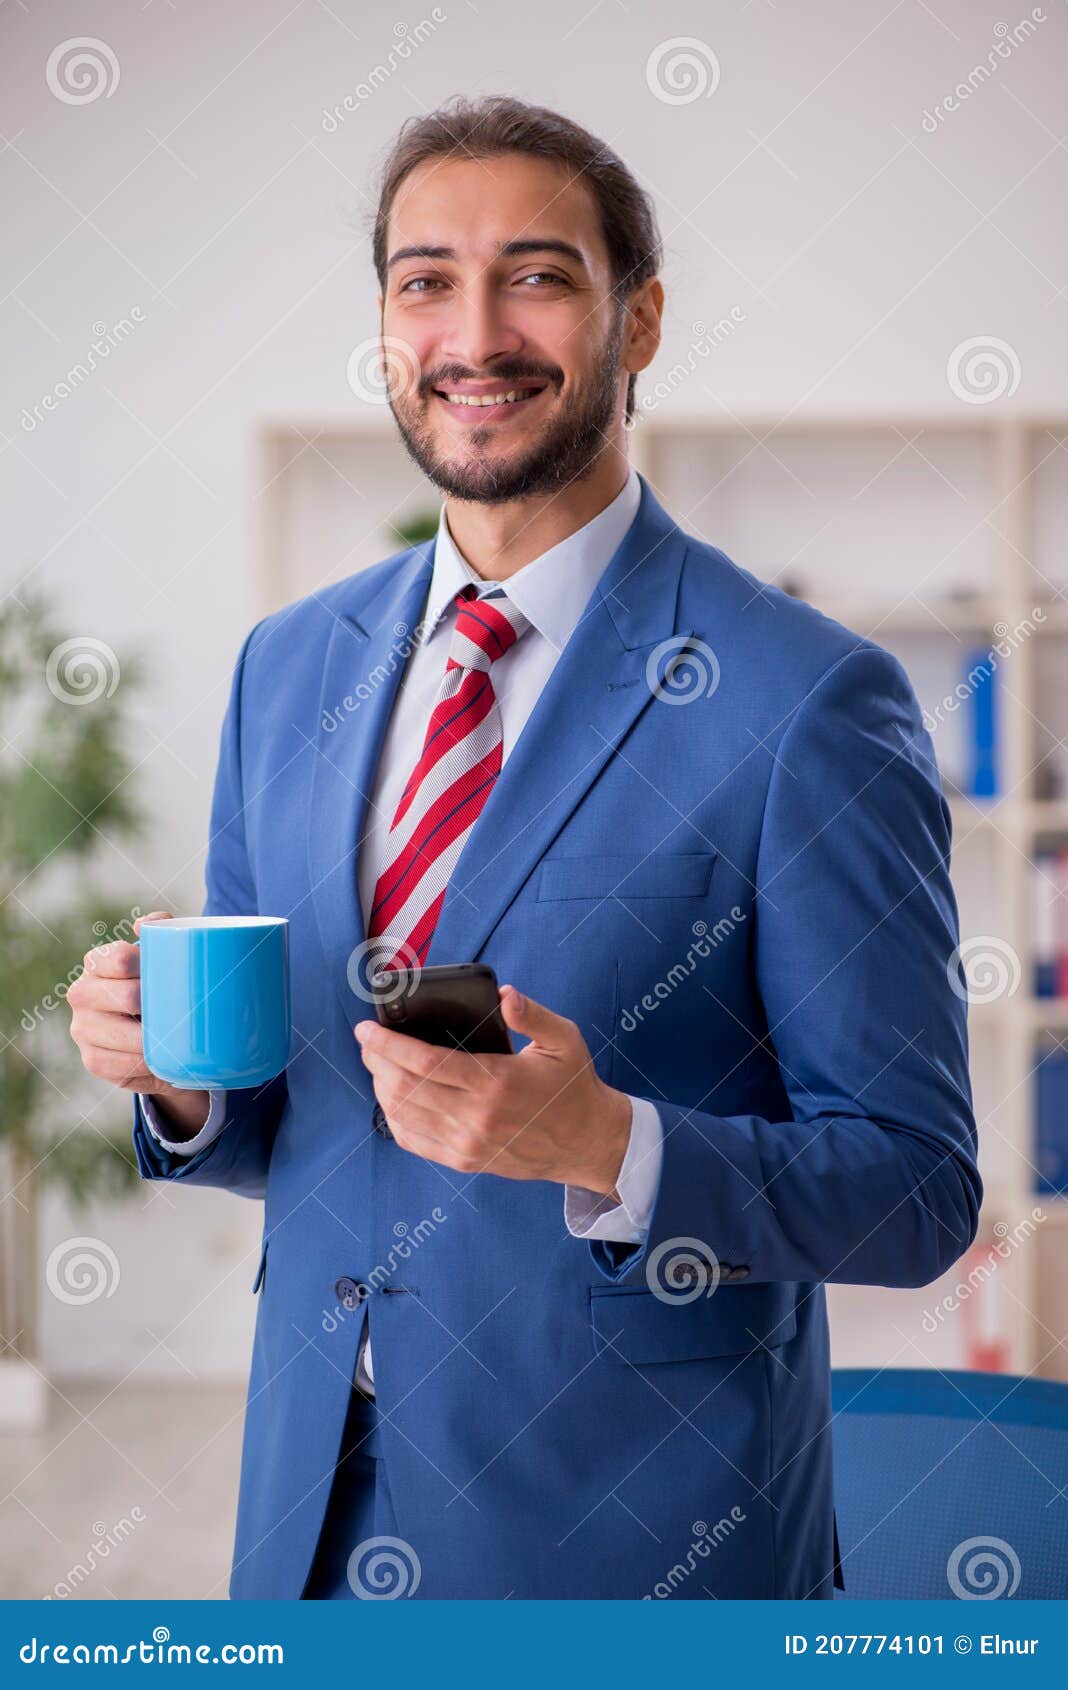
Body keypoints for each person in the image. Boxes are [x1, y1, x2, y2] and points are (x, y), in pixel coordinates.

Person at [69, 94, 981, 1600]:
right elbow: (300, 1129)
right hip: (304, 1529)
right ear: (384, 325)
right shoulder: (285, 671)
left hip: (640, 1549)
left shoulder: (804, 699)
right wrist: (176, 1079)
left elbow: (918, 1188)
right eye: (426, 280)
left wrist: (610, 1146)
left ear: (641, 321)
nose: (475, 331)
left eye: (539, 275)